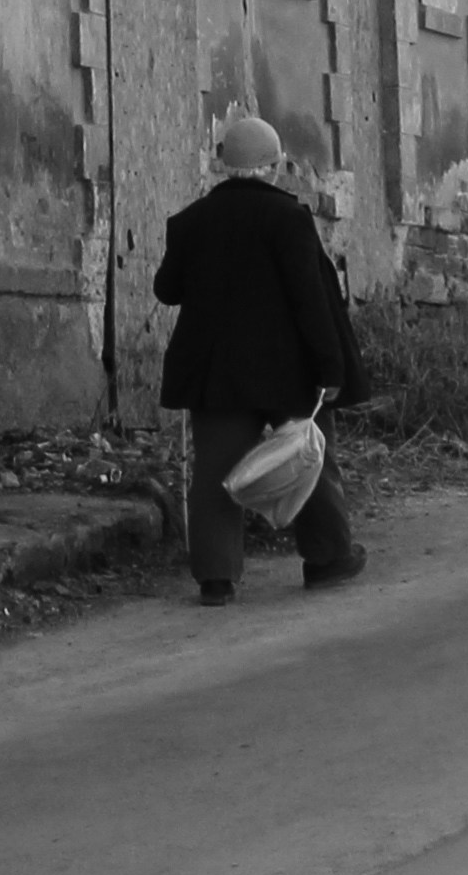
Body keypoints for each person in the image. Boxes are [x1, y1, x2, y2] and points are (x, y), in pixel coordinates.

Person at [154, 104, 369, 600]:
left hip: (216, 372)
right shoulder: (288, 218)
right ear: (275, 166)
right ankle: (327, 558)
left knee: (216, 472)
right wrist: (330, 368)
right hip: (288, 369)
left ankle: (216, 578)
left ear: (221, 163)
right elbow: (310, 300)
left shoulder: (191, 221)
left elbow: (167, 289)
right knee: (307, 456)